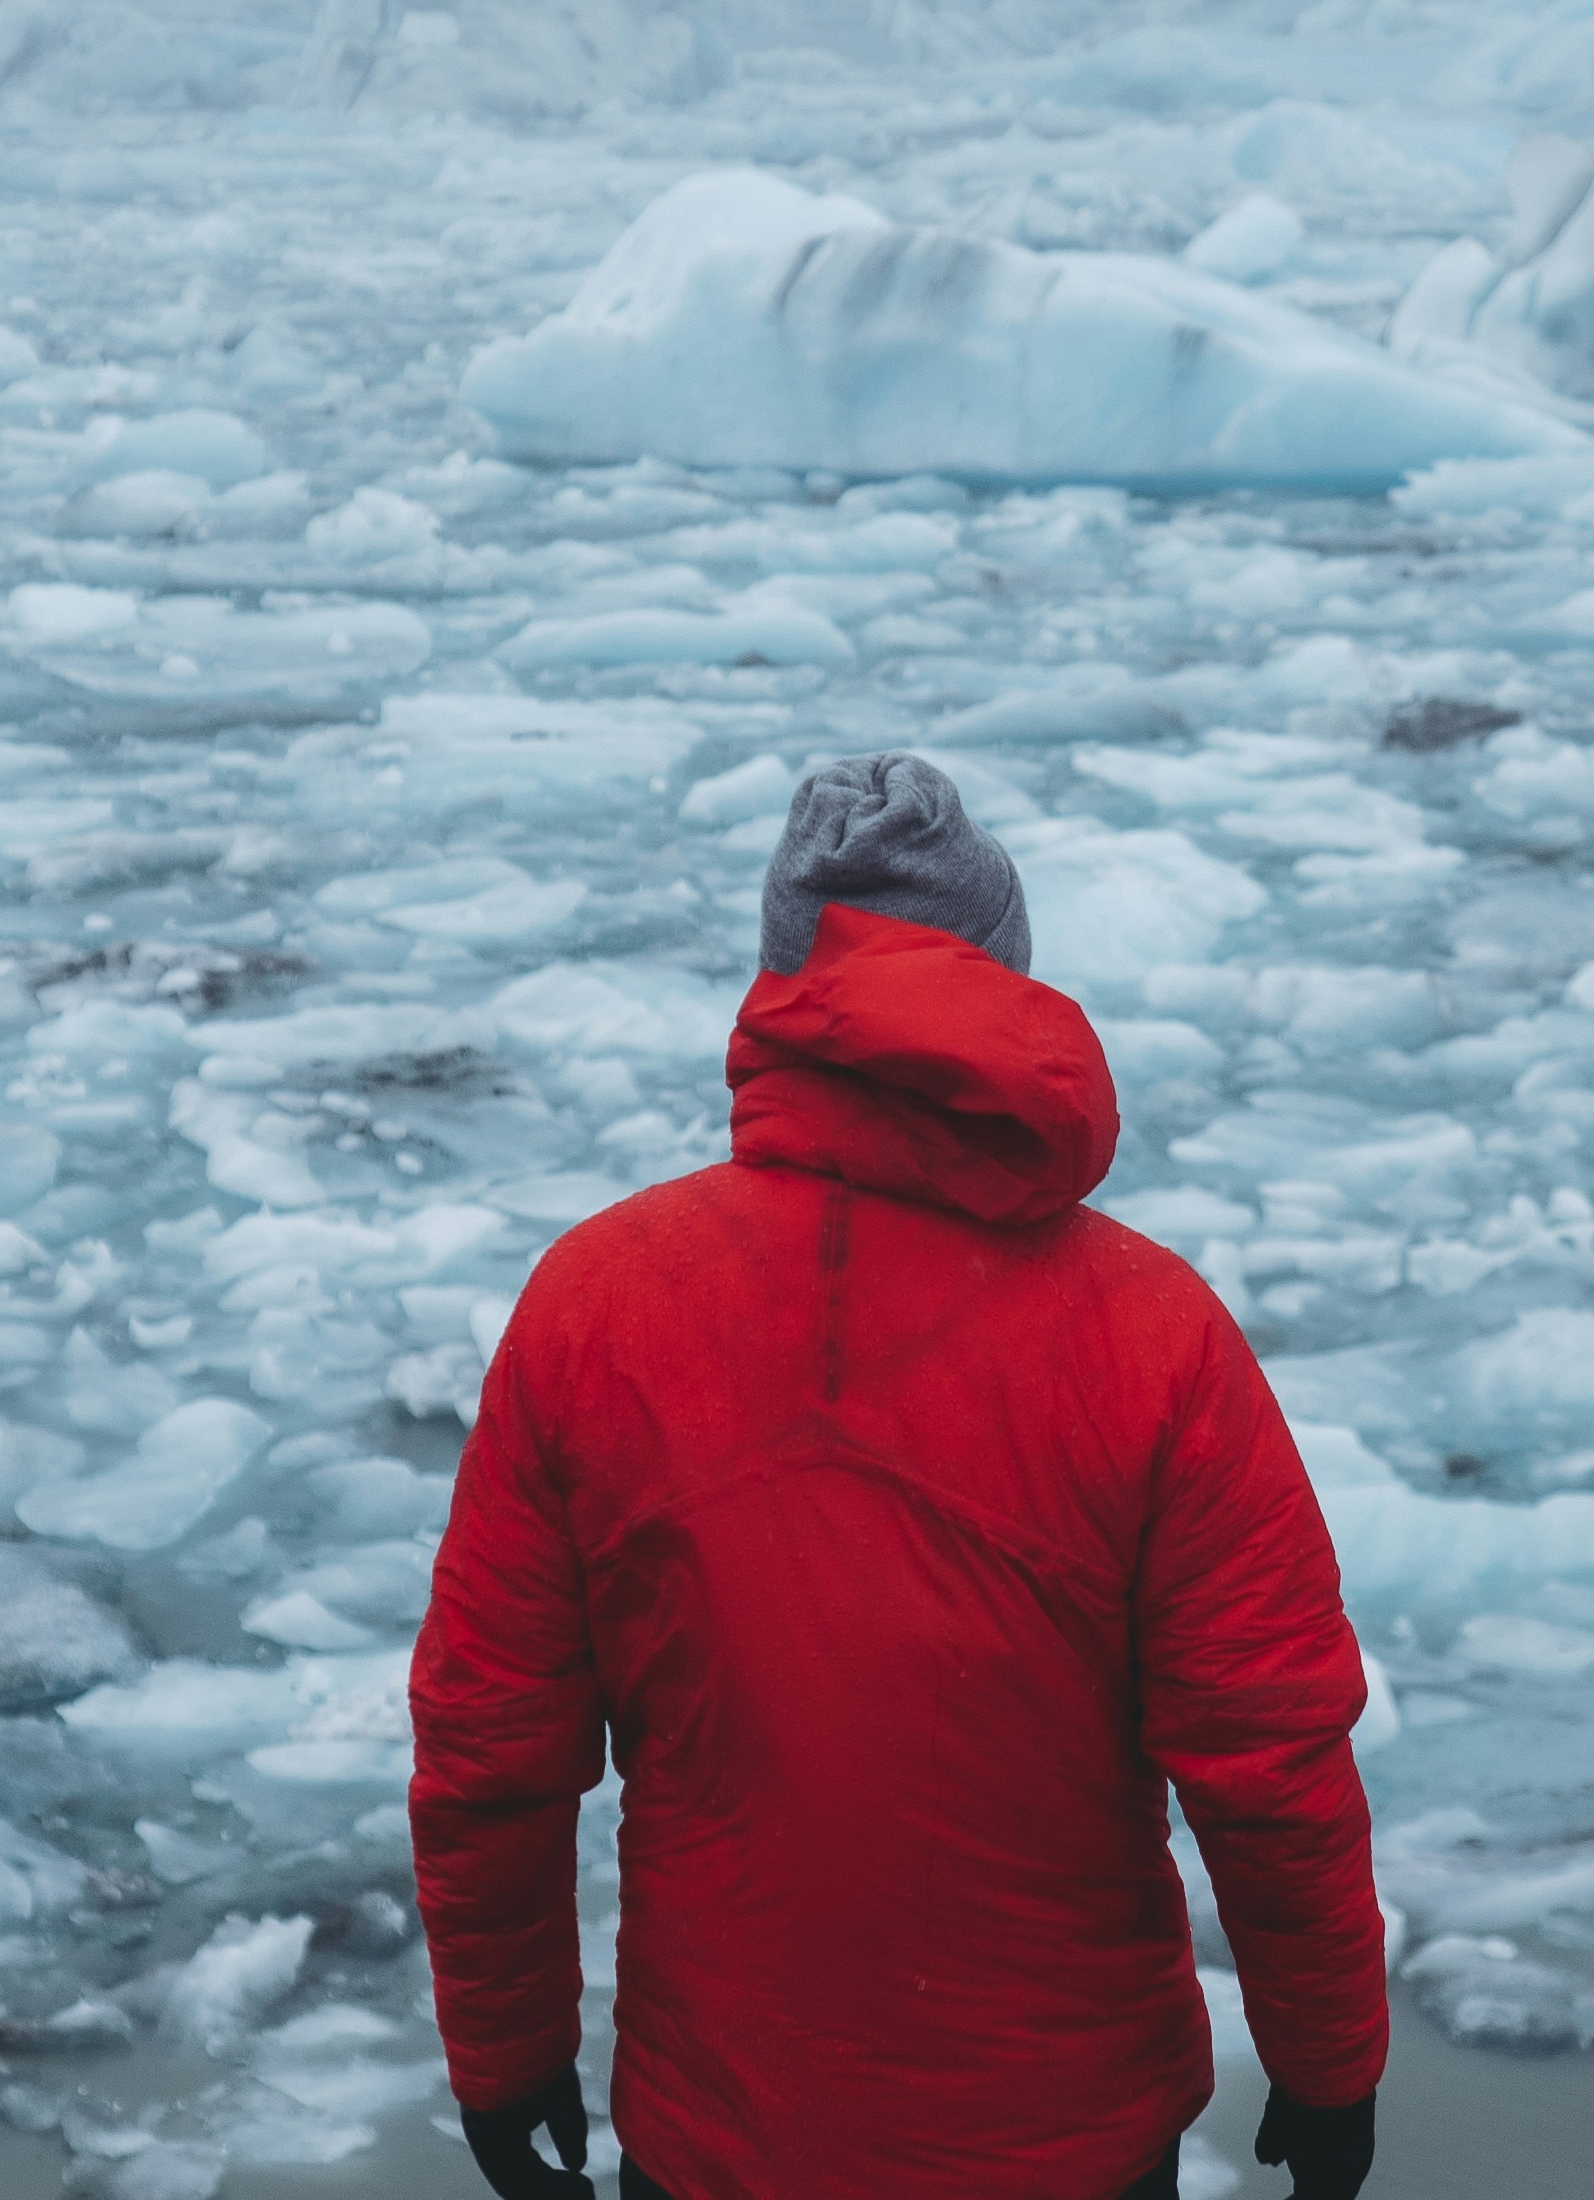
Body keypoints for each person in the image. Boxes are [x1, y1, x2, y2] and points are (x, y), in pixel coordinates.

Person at [411, 750, 1385, 2200]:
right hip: (1065, 2140)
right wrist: (1329, 2065)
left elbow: (491, 1750)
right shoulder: (1150, 1331)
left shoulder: (597, 1302)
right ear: (1005, 975)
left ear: (781, 989)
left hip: (725, 2135)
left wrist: (506, 2059)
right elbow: (1270, 1759)